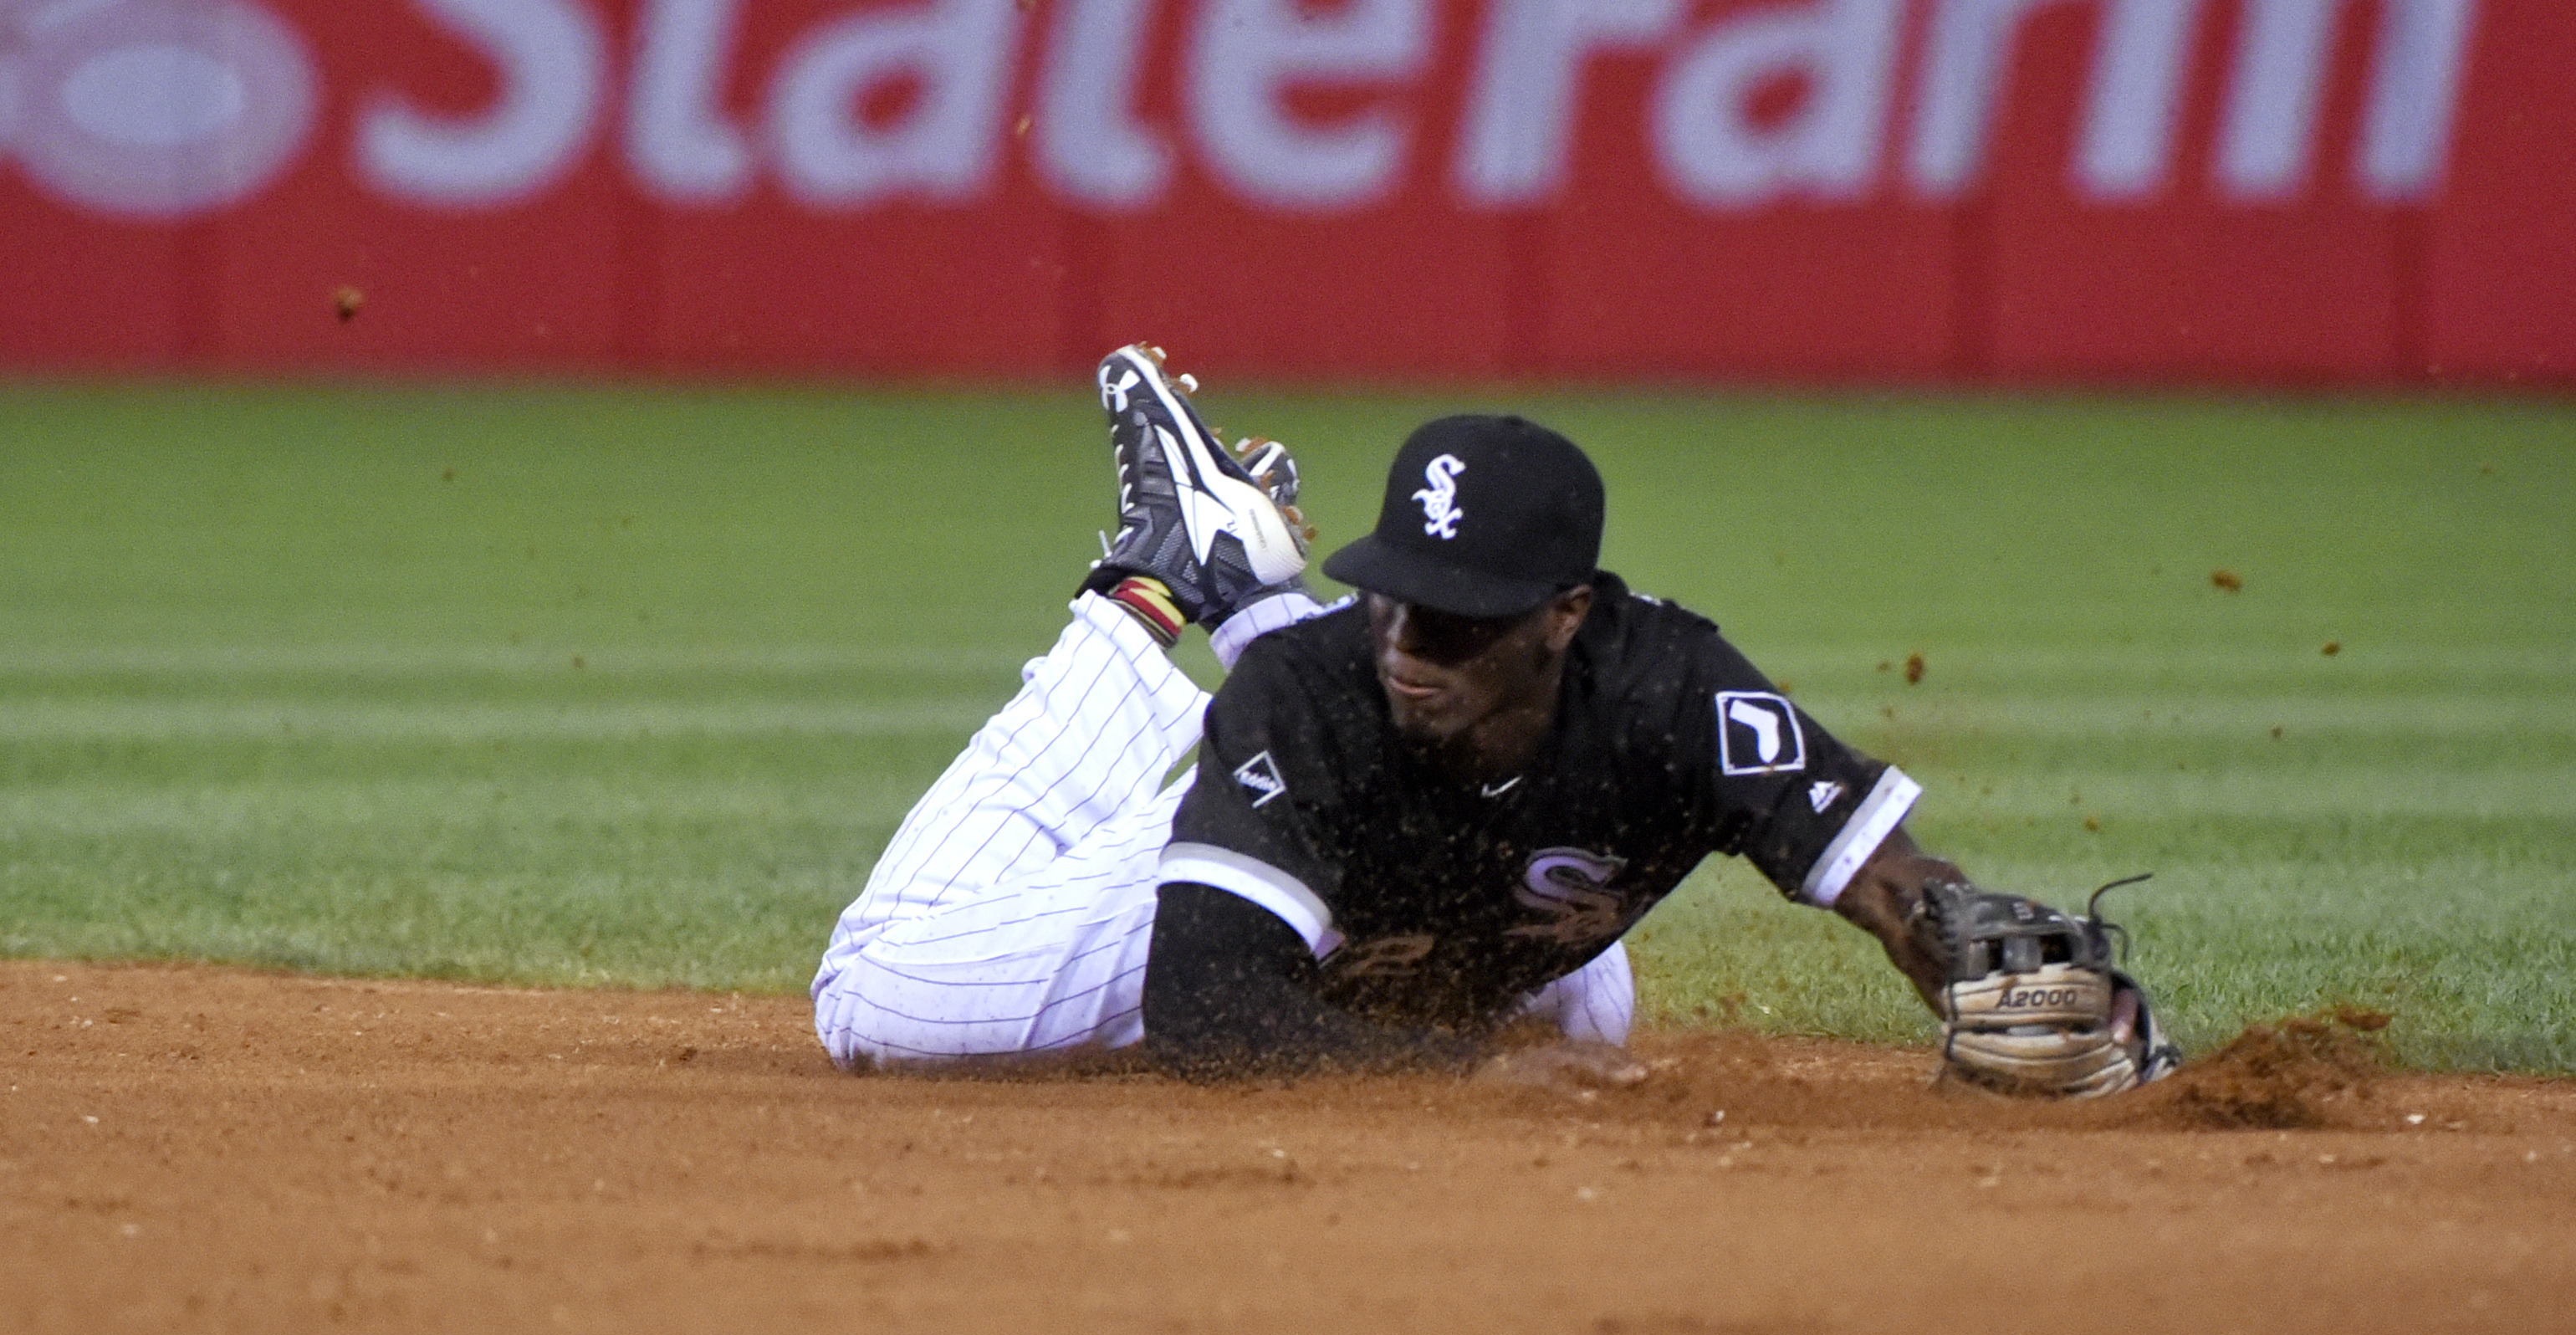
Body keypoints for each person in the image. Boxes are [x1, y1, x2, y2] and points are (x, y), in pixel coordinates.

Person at [812, 346, 2178, 1095]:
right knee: (869, 1001)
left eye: (1462, 615)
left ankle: (1238, 569)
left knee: (1580, 1048)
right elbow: (1208, 1007)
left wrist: (2011, 982)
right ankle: (1153, 592)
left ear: (1567, 613)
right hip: (1287, 851)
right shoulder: (1325, 696)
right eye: (1396, 595)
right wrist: (1463, 1080)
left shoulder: (1673, 688)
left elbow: (1890, 882)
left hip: (1489, 911)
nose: (1412, 637)